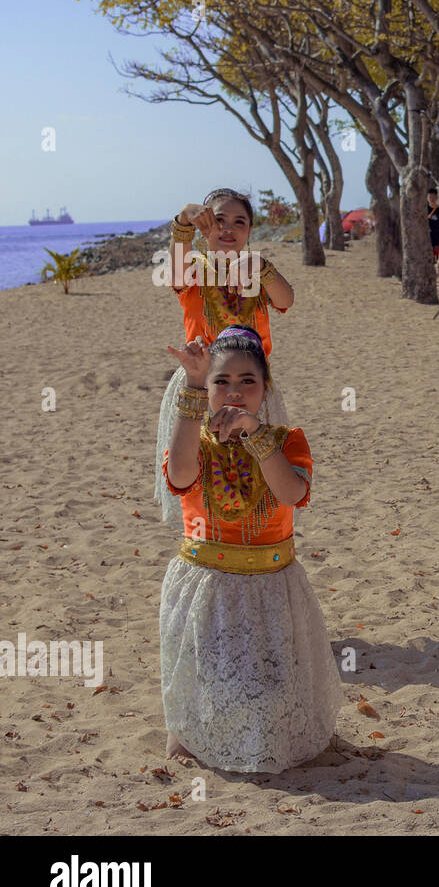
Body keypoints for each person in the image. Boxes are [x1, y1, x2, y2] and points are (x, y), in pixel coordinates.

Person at [159, 326, 342, 772]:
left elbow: (290, 493)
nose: (234, 392)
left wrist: (256, 437)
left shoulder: (287, 441)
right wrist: (193, 387)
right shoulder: (195, 441)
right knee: (208, 684)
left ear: (265, 390)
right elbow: (180, 476)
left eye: (247, 382)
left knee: (273, 686)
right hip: (208, 586)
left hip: (272, 588)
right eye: (222, 382)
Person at [156, 189, 293, 522]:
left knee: (259, 464)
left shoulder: (257, 270)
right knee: (202, 469)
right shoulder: (194, 269)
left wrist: (264, 268)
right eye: (218, 220)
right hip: (201, 382)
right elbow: (174, 273)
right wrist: (181, 223)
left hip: (253, 384)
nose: (229, 228)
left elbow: (286, 300)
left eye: (239, 221)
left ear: (249, 231)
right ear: (204, 224)